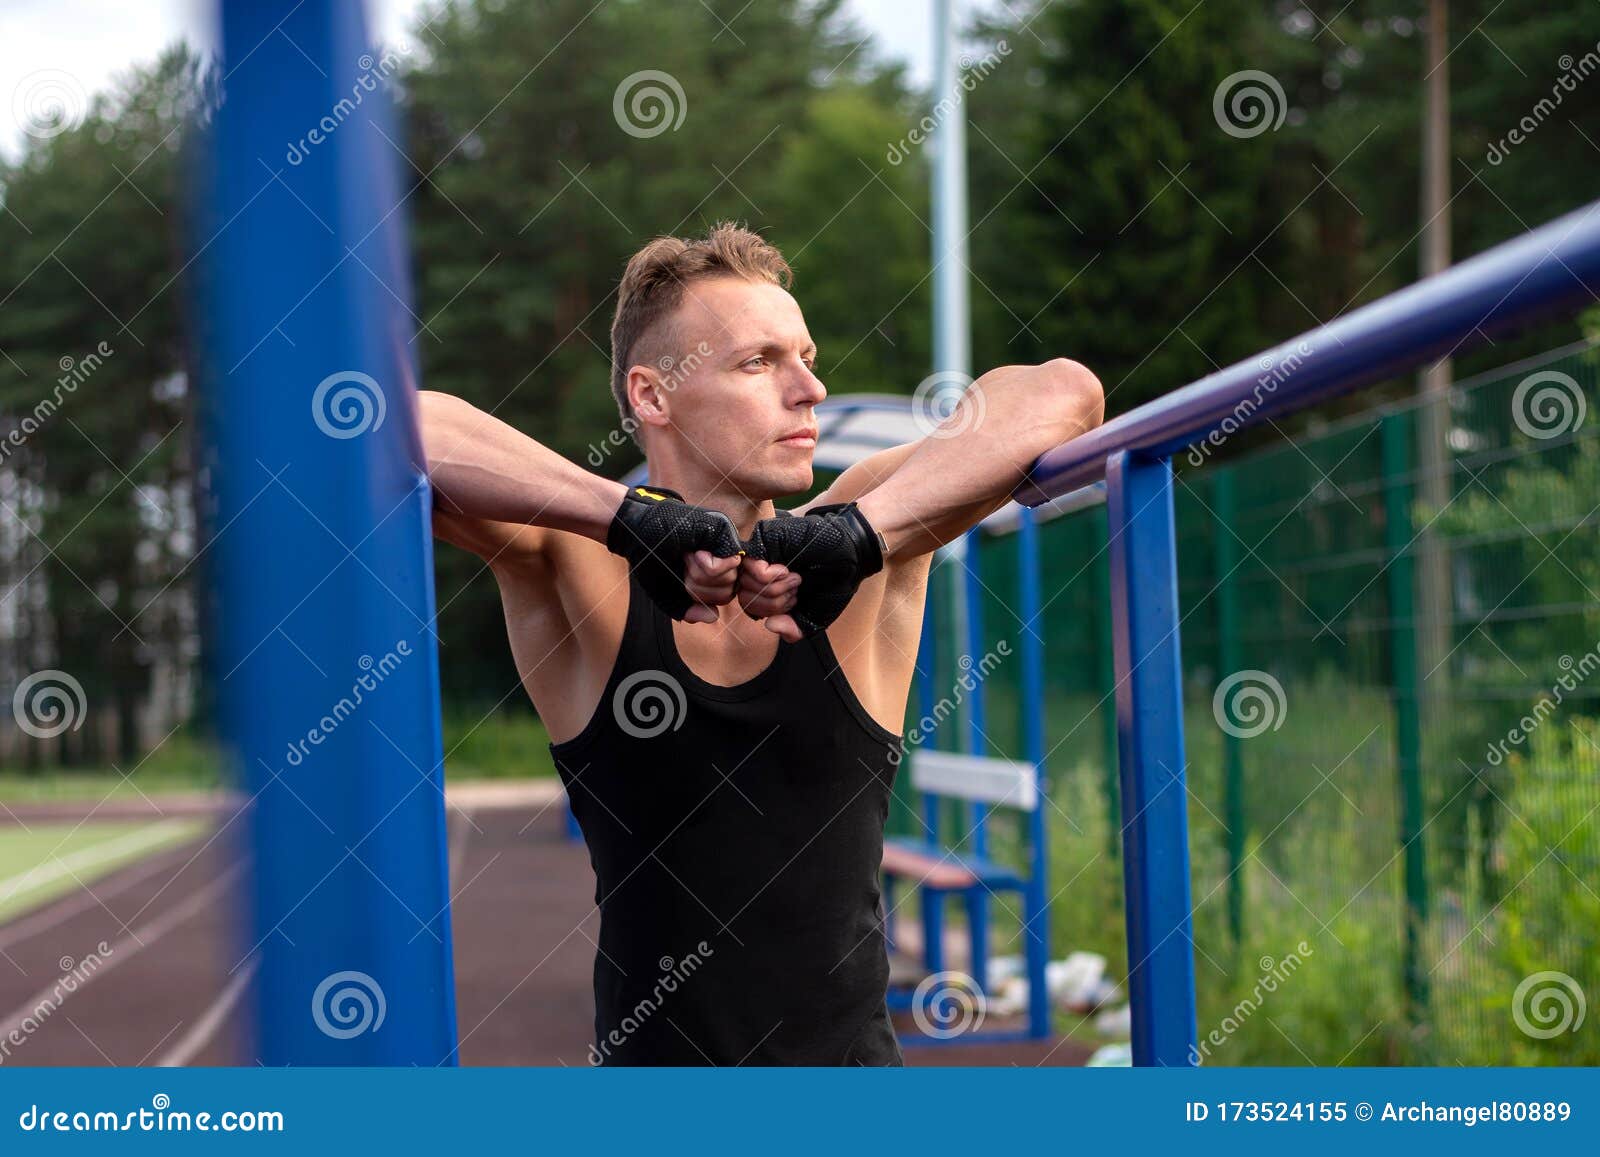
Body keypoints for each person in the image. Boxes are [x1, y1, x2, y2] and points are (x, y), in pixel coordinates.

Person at [420, 222, 1102, 1065]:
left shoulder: (869, 536)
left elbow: (1062, 392)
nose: (808, 387)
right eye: (759, 362)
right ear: (652, 394)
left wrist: (856, 536)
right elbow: (409, 424)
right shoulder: (578, 563)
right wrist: (629, 516)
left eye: (807, 355)